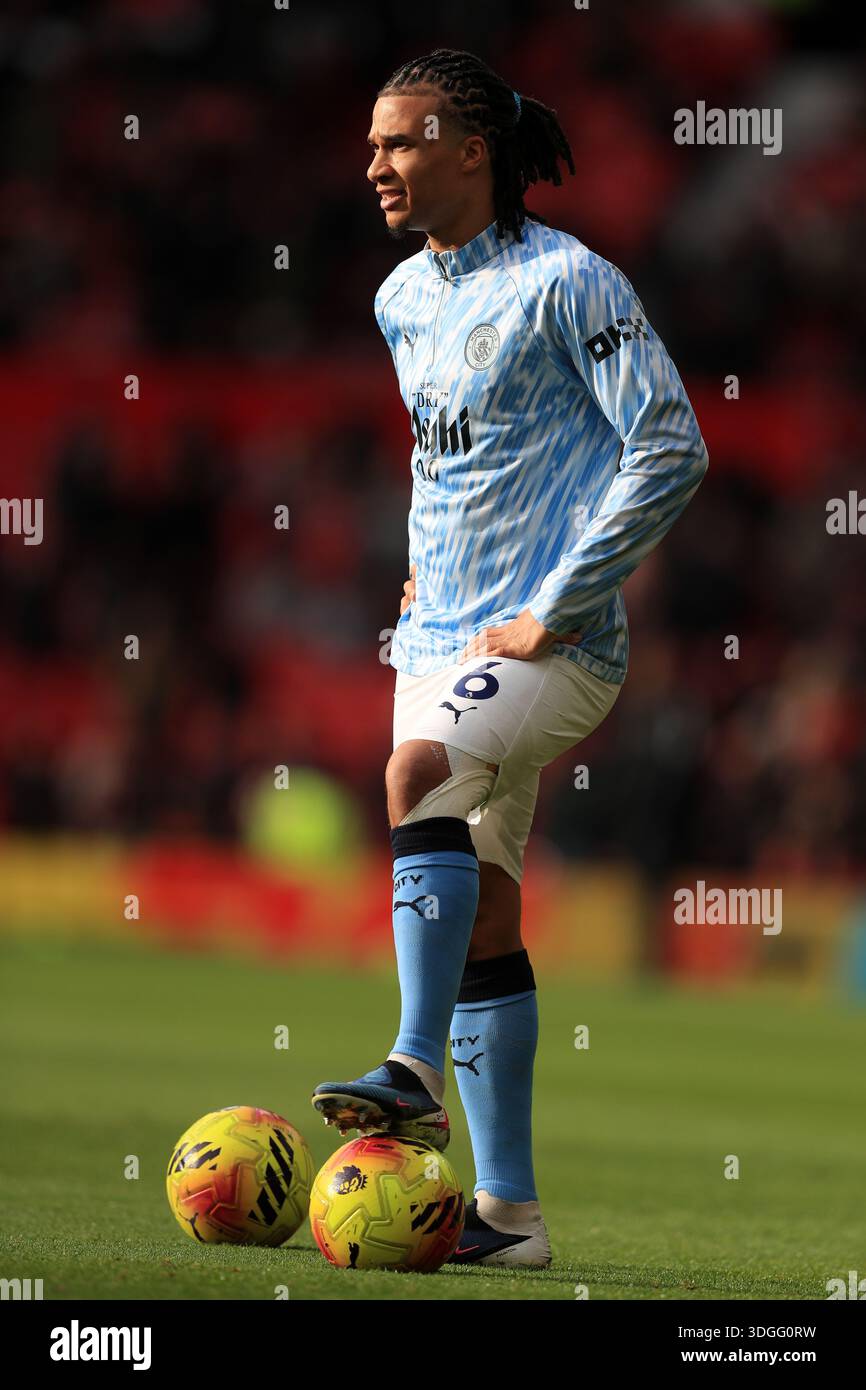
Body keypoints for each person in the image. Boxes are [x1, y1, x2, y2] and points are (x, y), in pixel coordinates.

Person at [311, 47, 709, 1267]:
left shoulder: (570, 282)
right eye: (371, 142)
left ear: (470, 149)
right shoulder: (398, 300)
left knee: (414, 775)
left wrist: (556, 600)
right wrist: (428, 564)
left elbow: (669, 446)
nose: (372, 161)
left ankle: (411, 1065)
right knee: (482, 904)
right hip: (432, 639)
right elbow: (459, 460)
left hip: (556, 645)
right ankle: (508, 1217)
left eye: (398, 140)